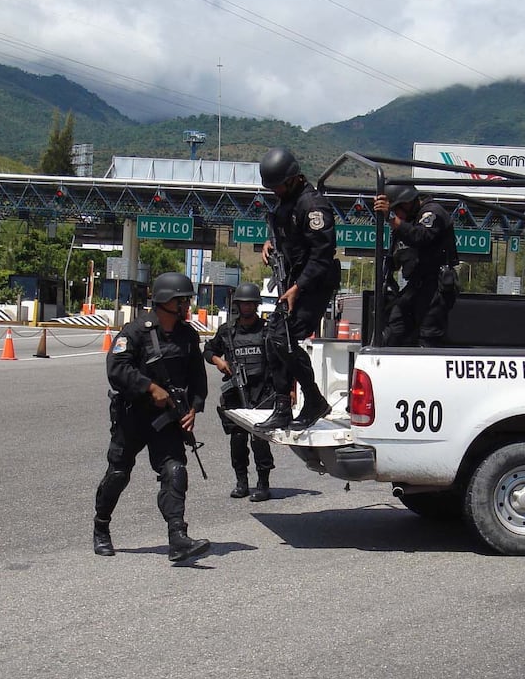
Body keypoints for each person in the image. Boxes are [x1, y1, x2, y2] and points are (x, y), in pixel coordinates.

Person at [92, 271, 212, 564]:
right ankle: (101, 527)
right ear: (166, 302)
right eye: (183, 301)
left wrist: (193, 408)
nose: (188, 306)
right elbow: (116, 368)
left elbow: (198, 378)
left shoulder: (187, 336)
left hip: (168, 419)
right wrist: (149, 386)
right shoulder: (136, 331)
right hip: (133, 417)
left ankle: (177, 538)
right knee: (118, 474)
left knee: (174, 472)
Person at [254, 146, 341, 431]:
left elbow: (322, 255)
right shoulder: (286, 203)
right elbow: (281, 233)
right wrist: (270, 243)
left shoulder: (313, 206)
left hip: (313, 284)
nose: (275, 191)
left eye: (278, 185)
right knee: (272, 339)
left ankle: (314, 400)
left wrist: (298, 288)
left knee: (284, 338)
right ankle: (282, 405)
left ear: (293, 178)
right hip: (292, 283)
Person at [204, 282, 276, 502]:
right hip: (236, 393)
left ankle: (263, 484)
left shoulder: (266, 331)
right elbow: (208, 350)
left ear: (256, 305)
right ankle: (241, 482)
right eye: (243, 304)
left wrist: (287, 390)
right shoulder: (227, 331)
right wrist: (218, 361)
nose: (246, 308)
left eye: (250, 304)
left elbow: (280, 361)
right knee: (237, 440)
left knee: (259, 440)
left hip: (261, 393)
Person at [373, 184, 459, 346]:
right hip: (415, 286)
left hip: (435, 287)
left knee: (428, 337)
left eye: (396, 209)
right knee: (395, 326)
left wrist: (392, 218)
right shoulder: (408, 222)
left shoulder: (432, 212)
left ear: (406, 203)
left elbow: (421, 236)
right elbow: (399, 255)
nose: (396, 215)